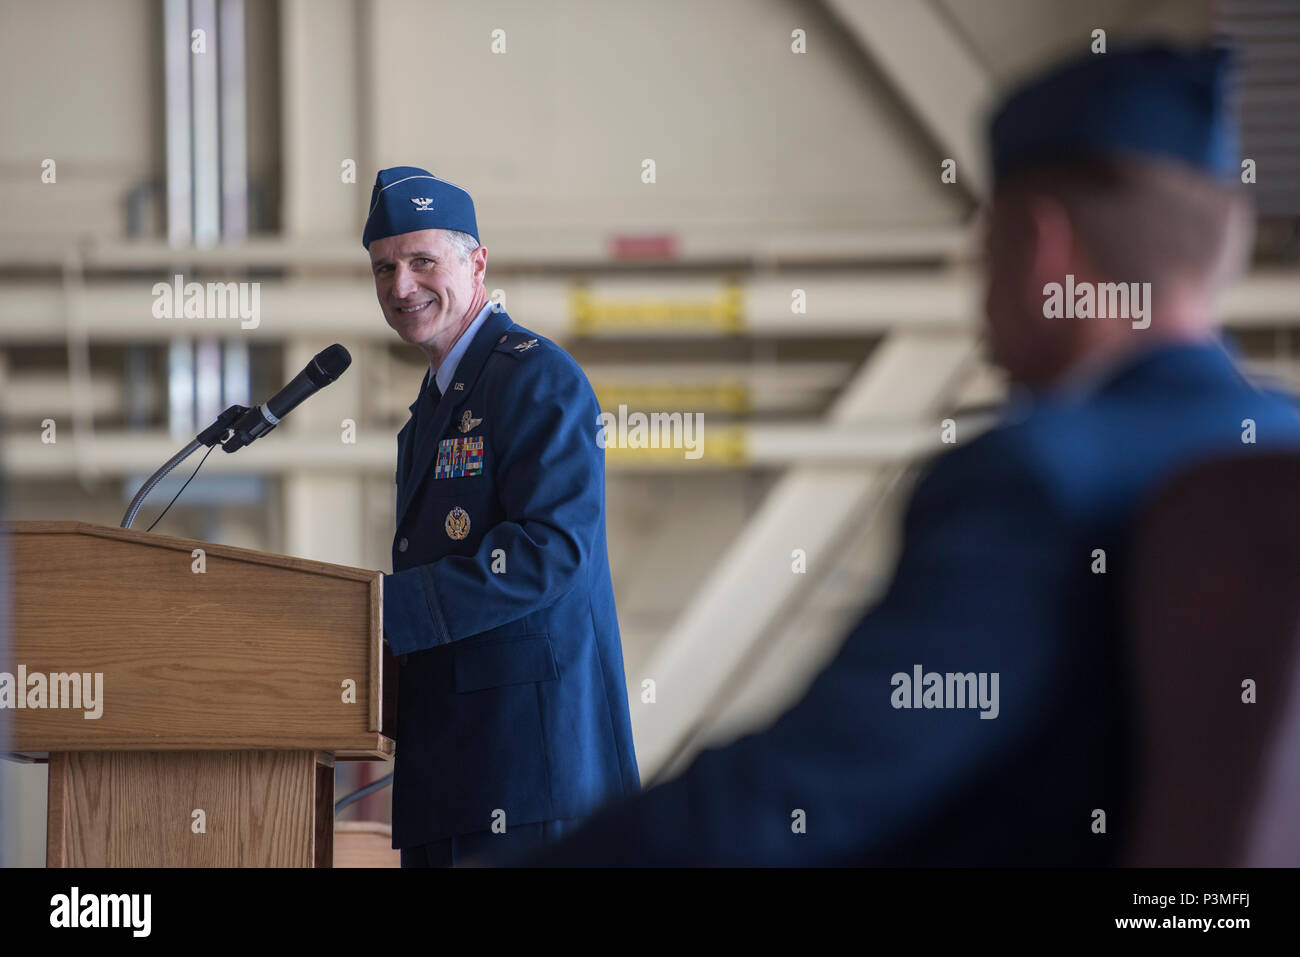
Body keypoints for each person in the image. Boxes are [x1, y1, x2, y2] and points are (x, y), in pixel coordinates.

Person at [522, 44, 1300, 866]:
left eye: (984, 245)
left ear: (1041, 247)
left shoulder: (1036, 479)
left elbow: (796, 802)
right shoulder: (1277, 453)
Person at [366, 167, 640, 866]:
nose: (401, 286)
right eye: (384, 267)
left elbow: (552, 548)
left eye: (422, 261)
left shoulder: (535, 378)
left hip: (529, 774)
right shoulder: (430, 411)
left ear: (477, 262)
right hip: (450, 778)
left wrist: (377, 611)